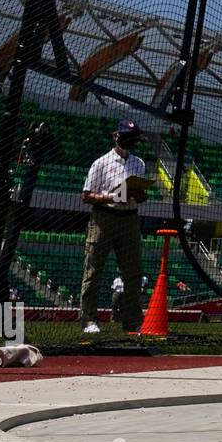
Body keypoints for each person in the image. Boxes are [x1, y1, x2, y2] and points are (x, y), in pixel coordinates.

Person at [78, 120, 148, 334]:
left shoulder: (139, 163)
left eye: (133, 136)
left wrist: (140, 193)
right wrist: (111, 197)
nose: (130, 140)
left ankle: (133, 322)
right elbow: (86, 195)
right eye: (126, 135)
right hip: (104, 218)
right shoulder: (101, 163)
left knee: (133, 274)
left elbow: (142, 196)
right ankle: (89, 320)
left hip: (130, 218)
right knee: (93, 272)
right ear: (116, 135)